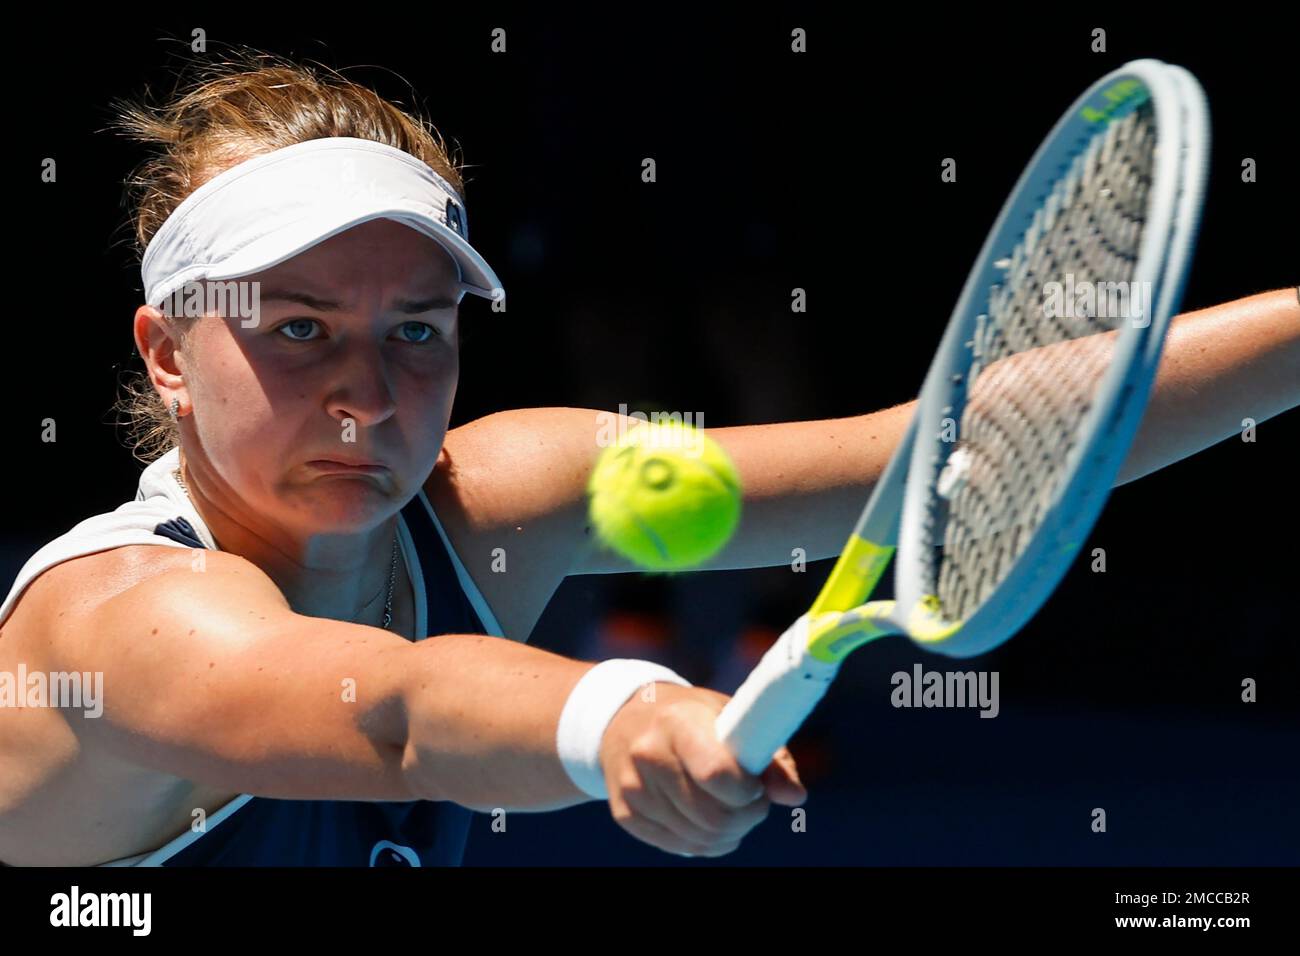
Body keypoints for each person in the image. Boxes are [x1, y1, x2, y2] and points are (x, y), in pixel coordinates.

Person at [0, 52, 1296, 866]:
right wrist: (618, 709)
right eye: (298, 330)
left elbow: (927, 452)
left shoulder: (501, 496)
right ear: (166, 354)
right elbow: (393, 713)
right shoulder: (121, 625)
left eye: (415, 328)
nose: (368, 393)